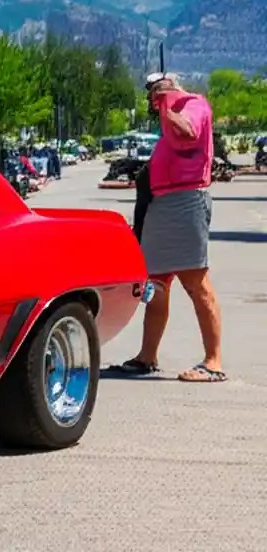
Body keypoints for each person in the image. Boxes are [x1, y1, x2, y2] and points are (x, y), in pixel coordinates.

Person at [109, 73, 226, 382]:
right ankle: (147, 357)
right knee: (156, 284)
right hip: (164, 203)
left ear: (167, 87)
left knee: (196, 280)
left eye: (153, 93)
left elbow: (186, 134)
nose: (151, 100)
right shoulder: (171, 110)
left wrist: (167, 105)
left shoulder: (193, 105)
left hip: (186, 201)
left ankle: (213, 361)